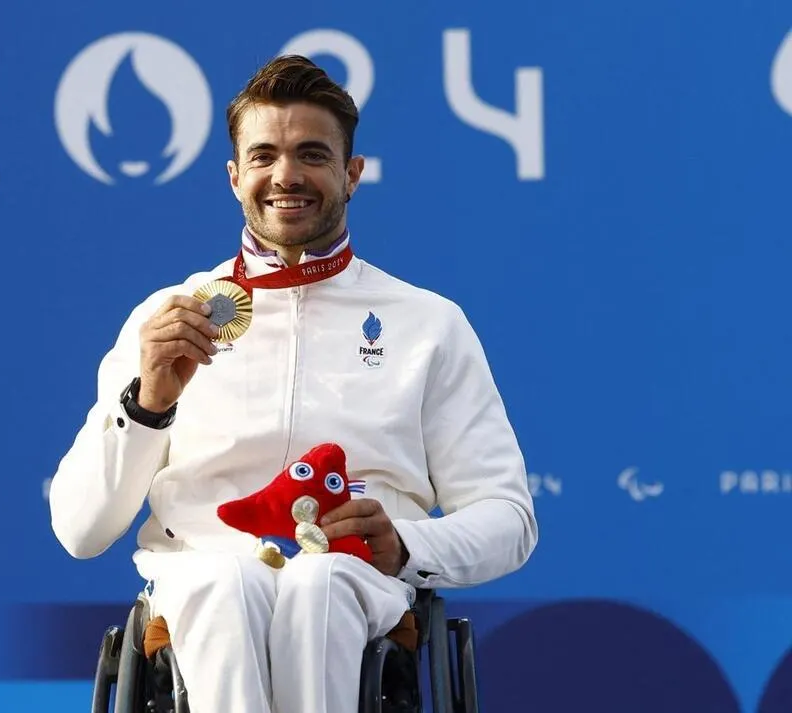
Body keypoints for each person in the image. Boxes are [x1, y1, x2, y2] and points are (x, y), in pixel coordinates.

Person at [48, 55, 537, 713]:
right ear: (234, 176)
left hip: (355, 580)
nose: (286, 175)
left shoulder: (428, 324)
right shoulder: (170, 318)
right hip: (202, 574)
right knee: (227, 580)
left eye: (311, 154)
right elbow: (80, 529)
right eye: (264, 156)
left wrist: (402, 541)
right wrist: (150, 404)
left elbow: (507, 518)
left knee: (320, 582)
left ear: (351, 174)